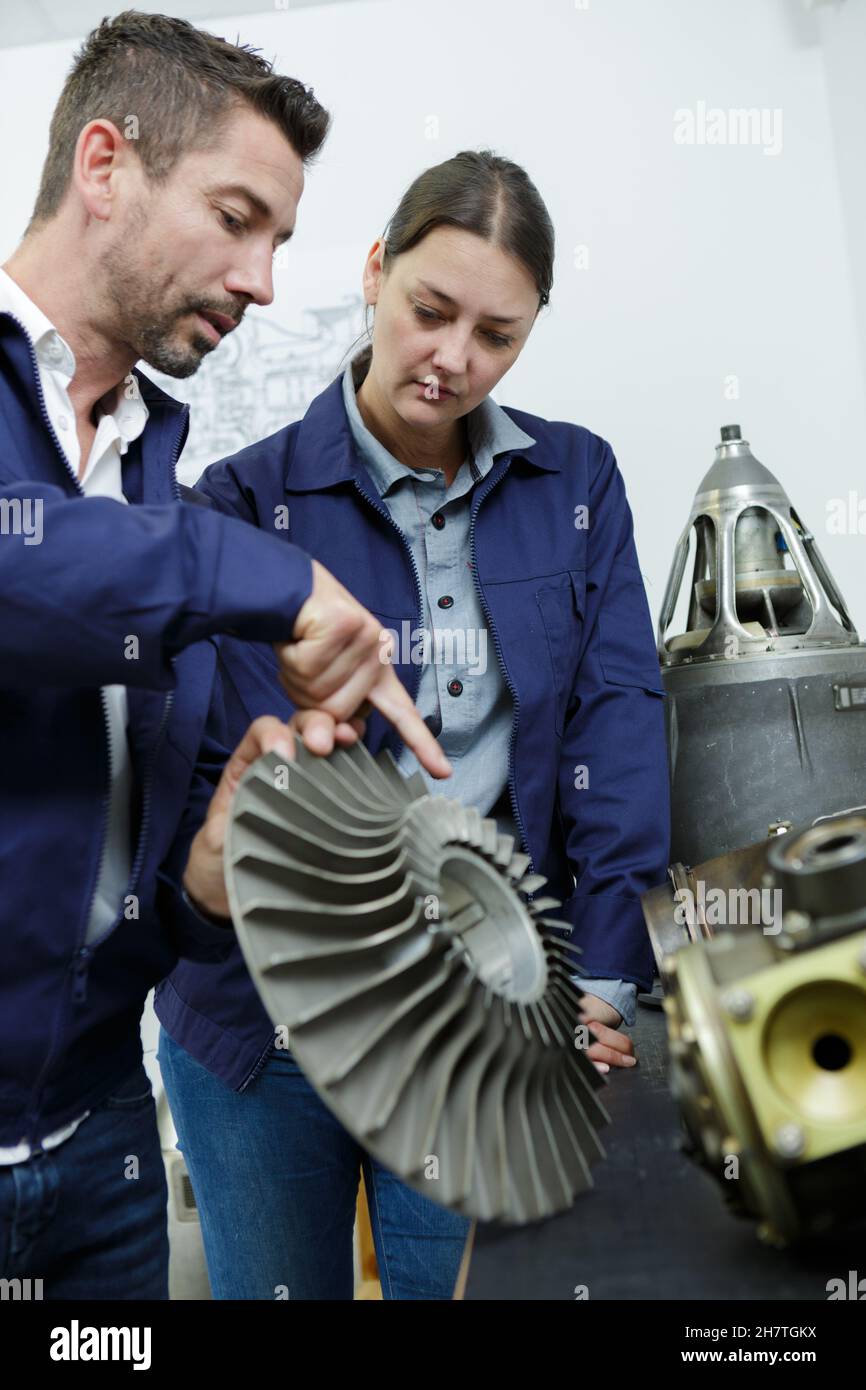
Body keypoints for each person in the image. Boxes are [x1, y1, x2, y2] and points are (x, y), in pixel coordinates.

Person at [156, 150, 672, 1300]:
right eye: (429, 311)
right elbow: (219, 791)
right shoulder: (242, 503)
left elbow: (619, 728)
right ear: (375, 270)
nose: (452, 360)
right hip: (260, 1028)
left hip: (488, 1024)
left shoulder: (577, 482)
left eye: (496, 335)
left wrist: (601, 982)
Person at [0, 11, 447, 1301]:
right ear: (104, 167)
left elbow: (138, 887)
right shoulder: (196, 540)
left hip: (99, 1151)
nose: (261, 280)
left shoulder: (158, 480)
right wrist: (276, 581)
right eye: (236, 217)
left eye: (282, 241)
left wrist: (208, 866)